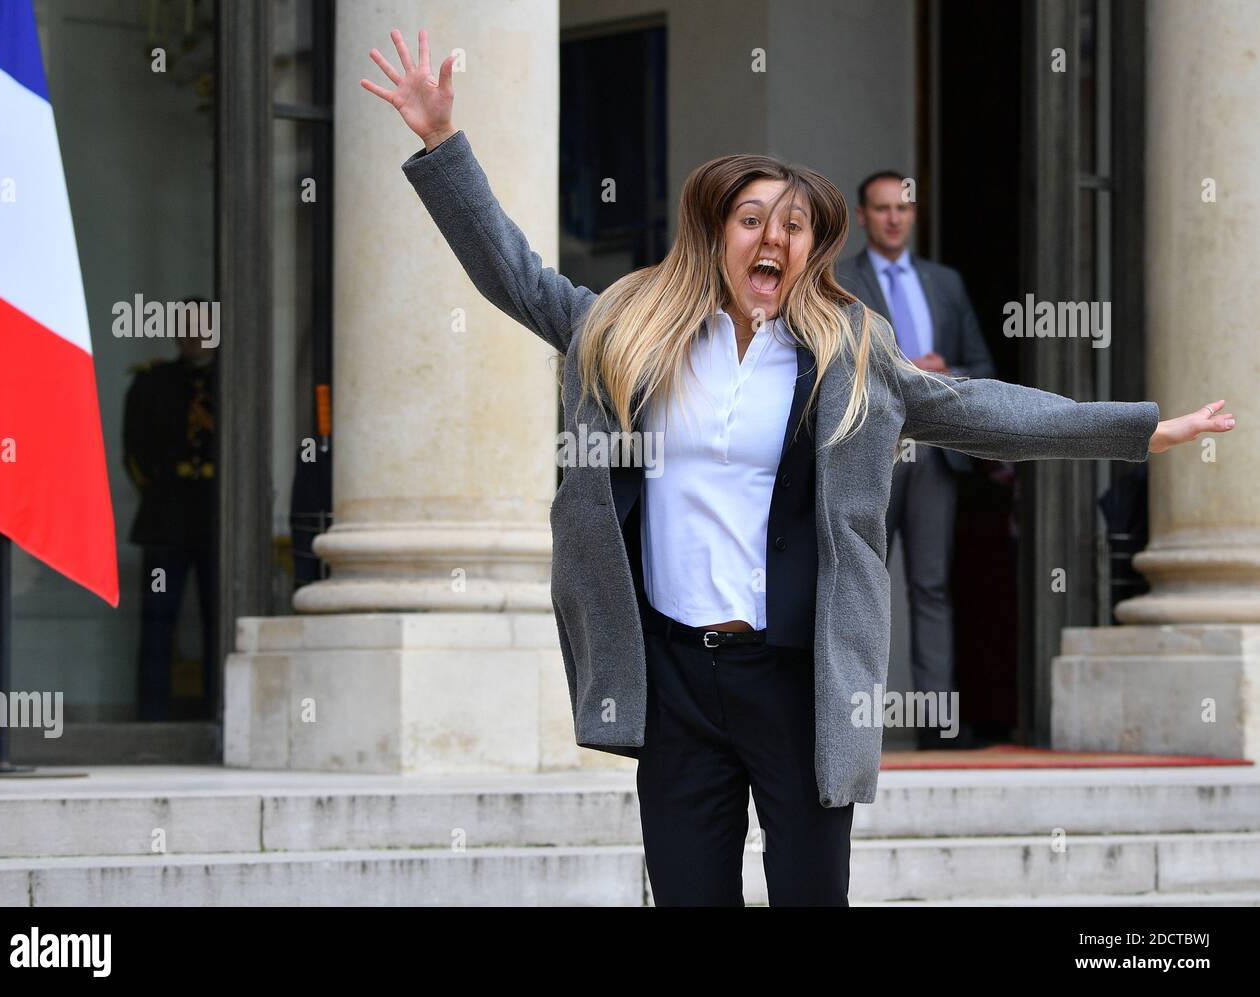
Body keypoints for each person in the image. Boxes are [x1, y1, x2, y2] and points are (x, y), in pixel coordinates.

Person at [363, 27, 1236, 906]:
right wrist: (442, 144)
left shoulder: (849, 357)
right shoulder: (630, 333)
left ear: (812, 249)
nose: (770, 239)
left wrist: (1140, 430)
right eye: (751, 221)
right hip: (674, 681)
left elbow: (982, 412)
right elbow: (515, 275)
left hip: (798, 683)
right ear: (716, 233)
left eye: (794, 226)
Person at [836, 170, 996, 749]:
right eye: (881, 209)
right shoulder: (841, 280)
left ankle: (938, 727)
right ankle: (856, 723)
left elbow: (983, 365)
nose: (893, 218)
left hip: (933, 455)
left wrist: (947, 374)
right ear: (862, 215)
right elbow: (831, 363)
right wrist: (899, 368)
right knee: (859, 585)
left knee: (931, 587)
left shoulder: (945, 283)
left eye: (902, 208)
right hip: (871, 452)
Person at [122, 299, 218, 722]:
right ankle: (152, 721)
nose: (192, 334)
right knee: (158, 624)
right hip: (166, 524)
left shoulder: (235, 377)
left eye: (200, 326)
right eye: (185, 326)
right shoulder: (152, 381)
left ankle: (222, 714)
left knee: (220, 621)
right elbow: (135, 454)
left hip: (220, 522)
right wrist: (159, 493)